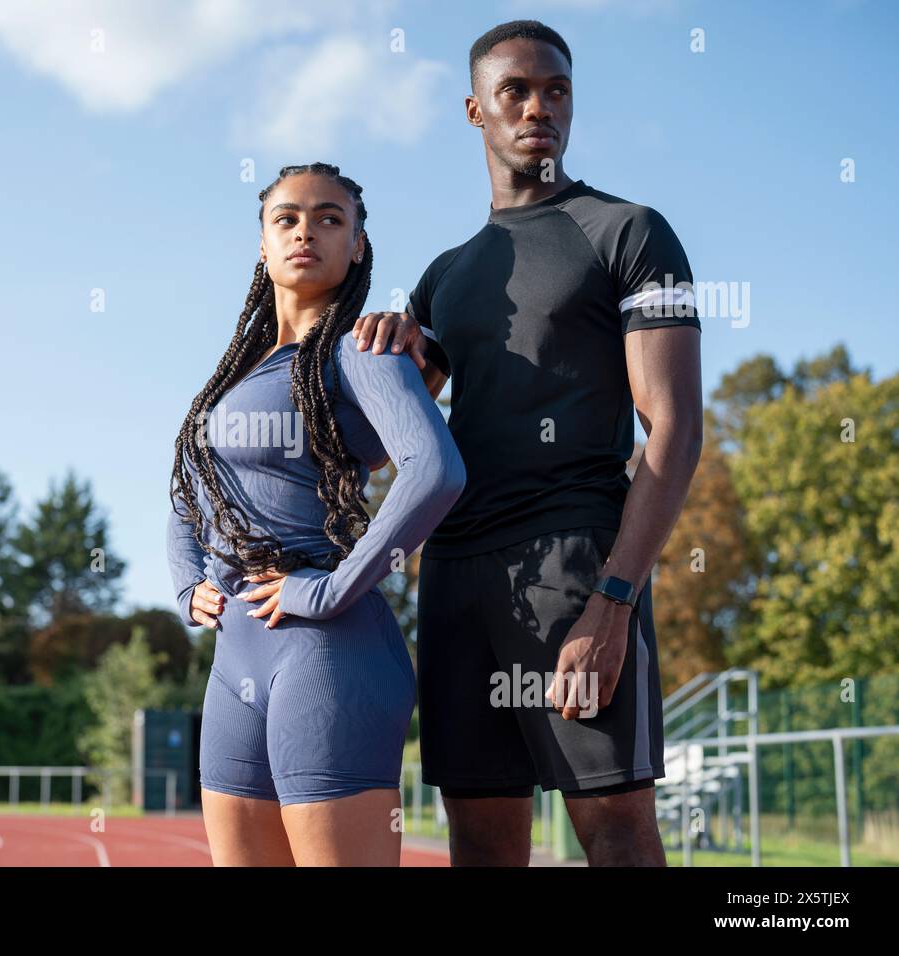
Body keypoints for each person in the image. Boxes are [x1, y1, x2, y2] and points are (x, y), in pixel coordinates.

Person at [352, 20, 703, 866]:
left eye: (557, 90)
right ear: (476, 109)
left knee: (615, 831)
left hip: (575, 563)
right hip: (459, 574)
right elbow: (373, 447)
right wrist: (385, 345)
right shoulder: (445, 274)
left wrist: (613, 600)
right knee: (479, 839)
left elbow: (677, 428)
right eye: (516, 90)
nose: (539, 106)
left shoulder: (628, 231)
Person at [166, 162, 465, 866]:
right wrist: (185, 579)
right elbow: (187, 489)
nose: (308, 231)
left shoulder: (362, 350)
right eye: (288, 218)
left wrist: (331, 589)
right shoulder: (236, 369)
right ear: (262, 243)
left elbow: (437, 470)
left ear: (357, 245)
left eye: (331, 218)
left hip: (328, 653)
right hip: (235, 655)